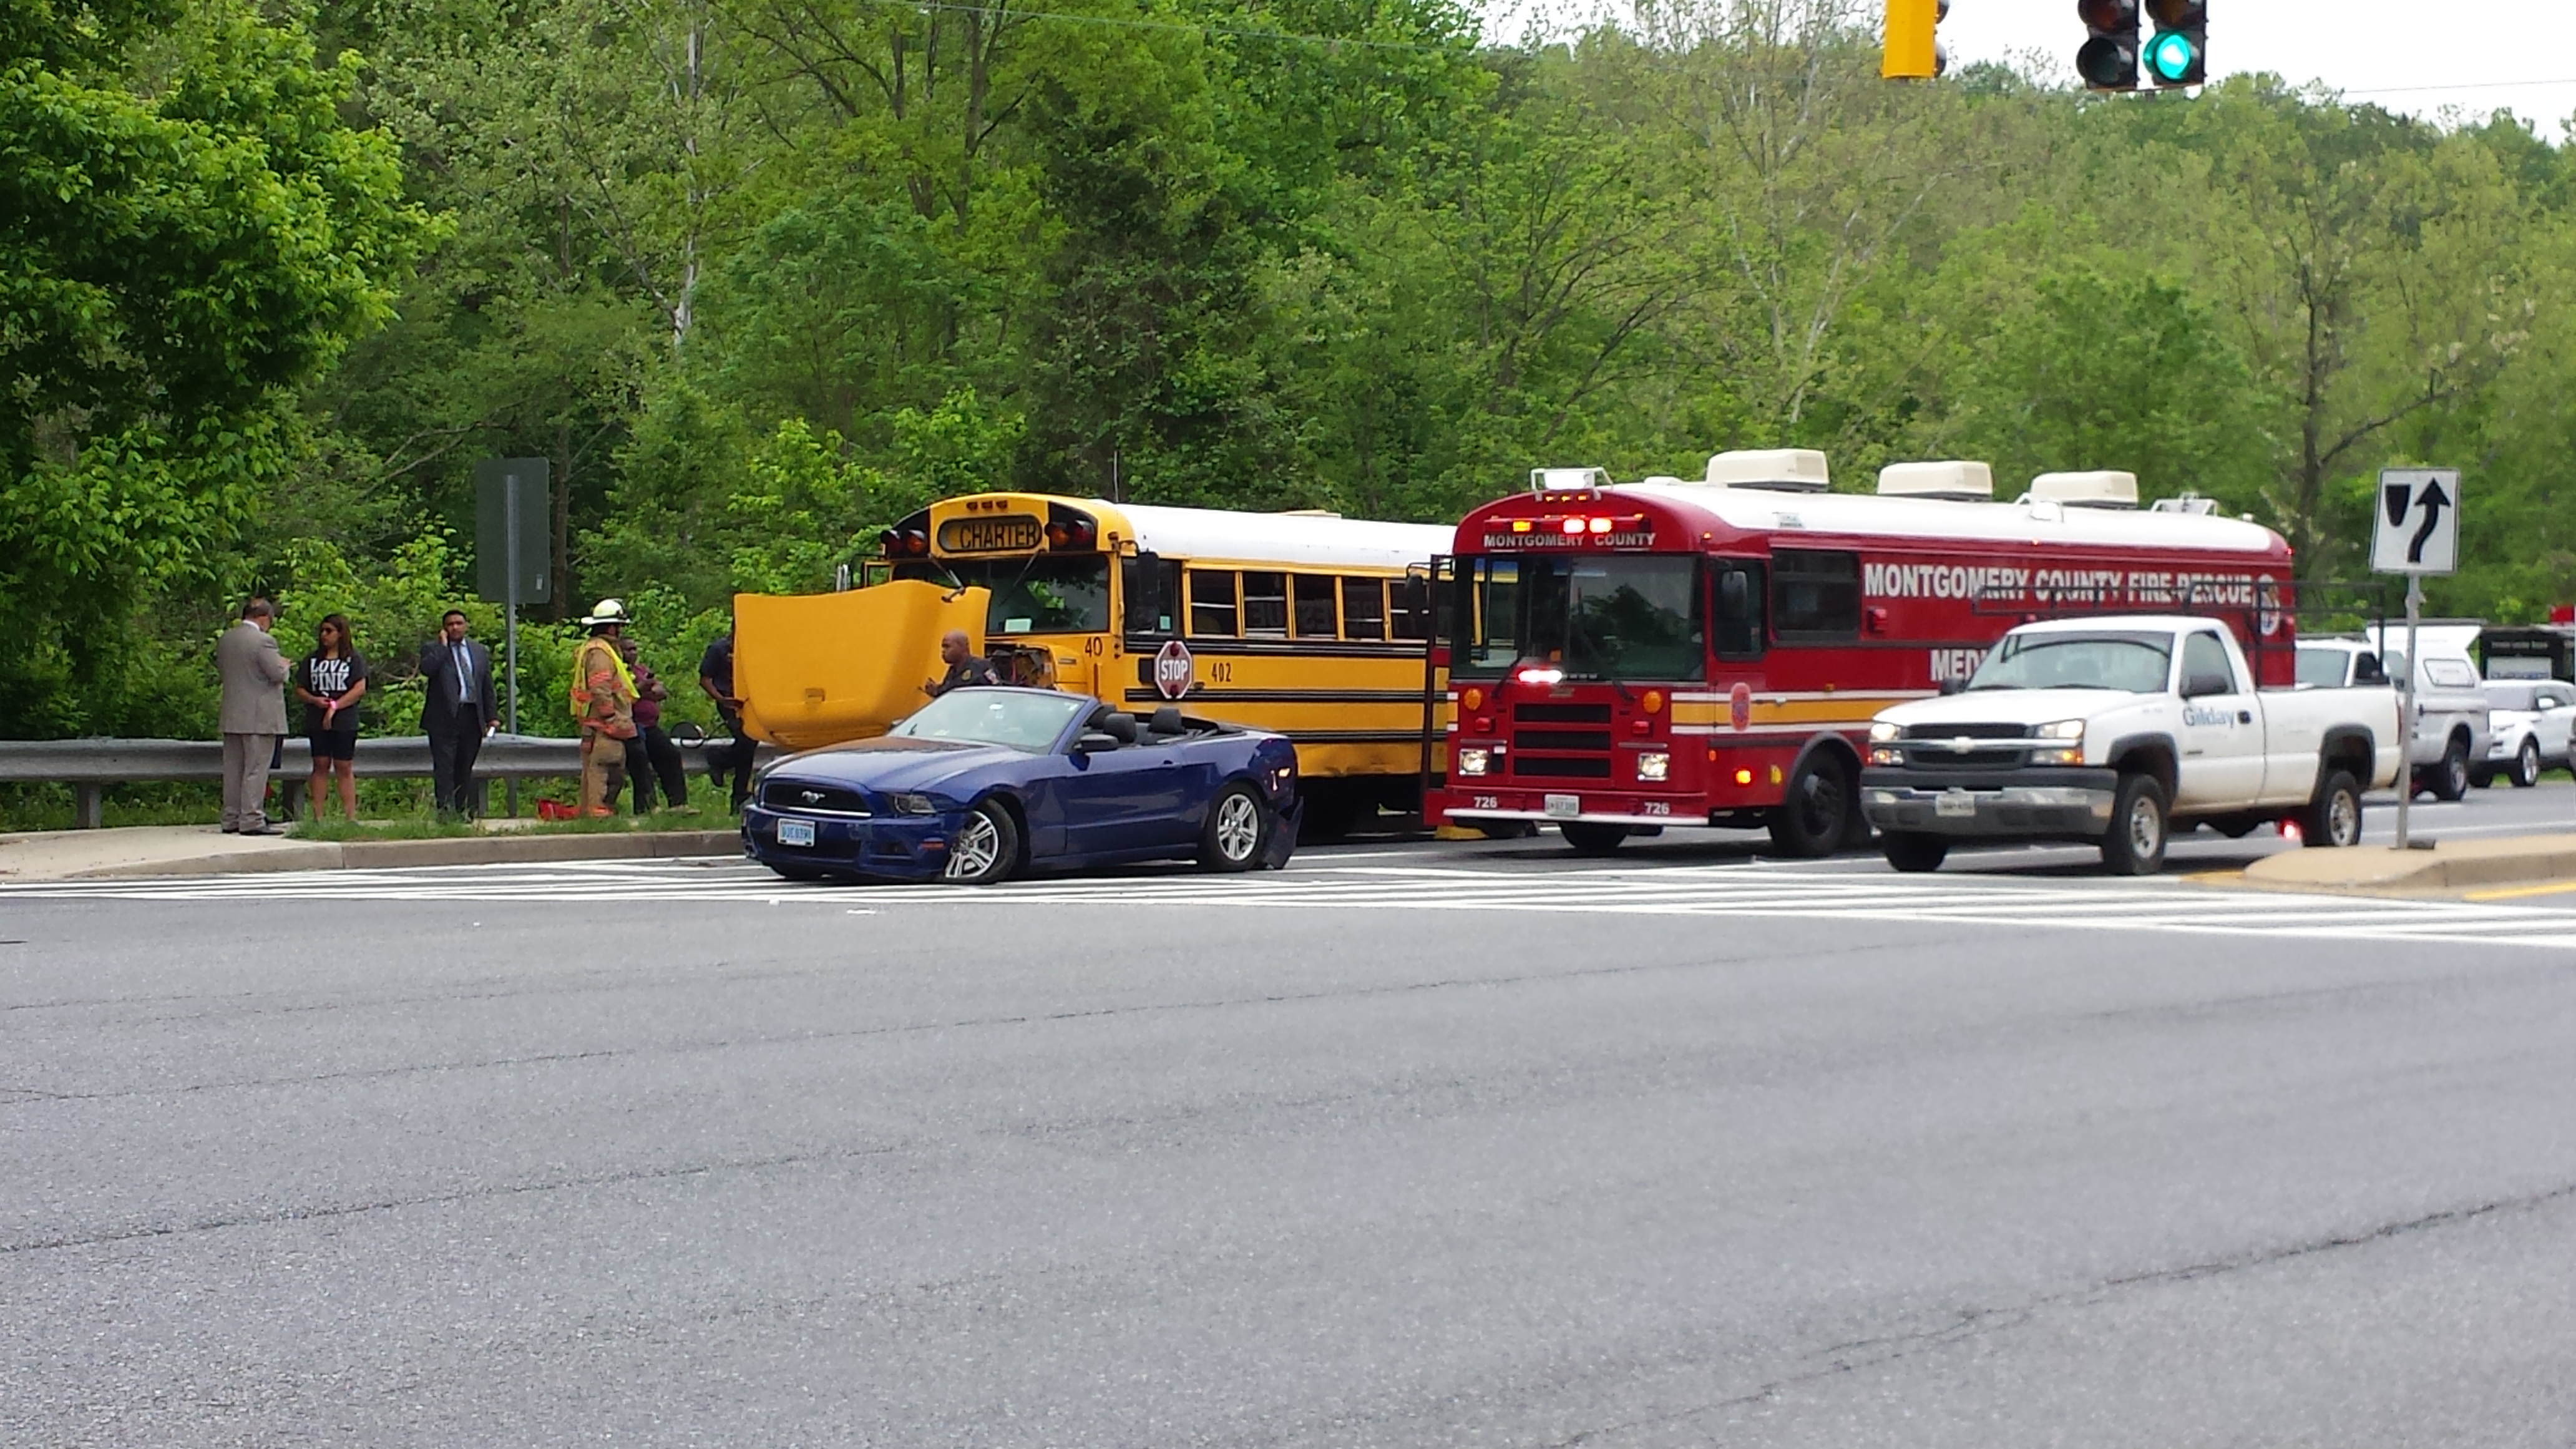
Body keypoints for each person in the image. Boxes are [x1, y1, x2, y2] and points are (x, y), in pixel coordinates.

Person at [215, 598, 291, 834]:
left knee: (233, 769)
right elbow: (277, 674)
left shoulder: (227, 639)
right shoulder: (264, 642)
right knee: (256, 769)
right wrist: (285, 665)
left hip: (233, 713)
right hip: (260, 716)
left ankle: (231, 817)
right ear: (264, 618)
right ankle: (252, 819)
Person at [421, 609, 498, 817]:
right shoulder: (433, 649)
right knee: (445, 767)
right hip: (443, 718)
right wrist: (443, 647)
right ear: (444, 628)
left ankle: (461, 809)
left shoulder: (478, 651)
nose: (455, 627)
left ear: (466, 625)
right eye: (450, 624)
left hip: (472, 715)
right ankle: (446, 812)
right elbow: (427, 669)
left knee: (465, 766)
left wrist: (492, 716)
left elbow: (486, 685)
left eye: (459, 623)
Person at [293, 613, 369, 821]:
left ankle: (350, 817)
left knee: (344, 766)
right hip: (317, 718)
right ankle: (318, 816)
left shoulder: (353, 659)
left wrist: (336, 706)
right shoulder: (312, 660)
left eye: (329, 631)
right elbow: (300, 688)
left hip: (344, 719)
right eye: (322, 631)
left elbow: (359, 688)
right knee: (320, 764)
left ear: (340, 633)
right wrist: (315, 700)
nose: (324, 635)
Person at [569, 598, 637, 817]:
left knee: (603, 766)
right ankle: (598, 810)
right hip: (604, 723)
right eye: (619, 627)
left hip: (596, 721)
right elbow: (600, 686)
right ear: (611, 627)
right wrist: (610, 716)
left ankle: (597, 809)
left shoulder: (597, 649)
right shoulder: (600, 652)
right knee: (606, 766)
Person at [617, 635, 688, 811]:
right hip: (632, 725)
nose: (633, 653)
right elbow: (625, 695)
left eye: (635, 649)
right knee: (641, 765)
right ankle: (647, 807)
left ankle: (678, 803)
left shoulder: (641, 670)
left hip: (651, 726)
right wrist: (643, 689)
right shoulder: (619, 671)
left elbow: (661, 692)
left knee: (670, 755)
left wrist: (643, 690)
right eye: (628, 649)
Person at [697, 625, 755, 814]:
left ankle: (738, 795)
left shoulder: (751, 649)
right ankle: (719, 760)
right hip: (728, 701)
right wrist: (721, 699)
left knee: (749, 744)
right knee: (746, 741)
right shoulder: (719, 649)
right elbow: (705, 679)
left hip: (749, 704)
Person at [923, 630, 998, 697]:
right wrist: (936, 691)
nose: (943, 651)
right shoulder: (952, 671)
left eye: (947, 647)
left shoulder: (982, 667)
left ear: (962, 646)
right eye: (943, 647)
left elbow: (997, 691)